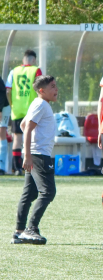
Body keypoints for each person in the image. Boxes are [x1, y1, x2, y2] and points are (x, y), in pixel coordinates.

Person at [11, 75, 59, 245]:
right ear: (41, 90)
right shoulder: (41, 104)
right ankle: (31, 229)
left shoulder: (38, 104)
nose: (56, 90)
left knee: (30, 193)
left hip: (35, 154)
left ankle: (19, 232)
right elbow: (28, 127)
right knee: (48, 192)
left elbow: (23, 124)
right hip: (39, 155)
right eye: (52, 86)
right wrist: (28, 155)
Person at [6, 49, 42, 177]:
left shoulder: (13, 71)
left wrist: (12, 105)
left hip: (17, 109)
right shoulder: (36, 70)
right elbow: (41, 89)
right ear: (34, 59)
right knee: (33, 138)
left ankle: (17, 168)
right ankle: (32, 168)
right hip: (32, 110)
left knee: (17, 138)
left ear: (23, 59)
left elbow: (8, 91)